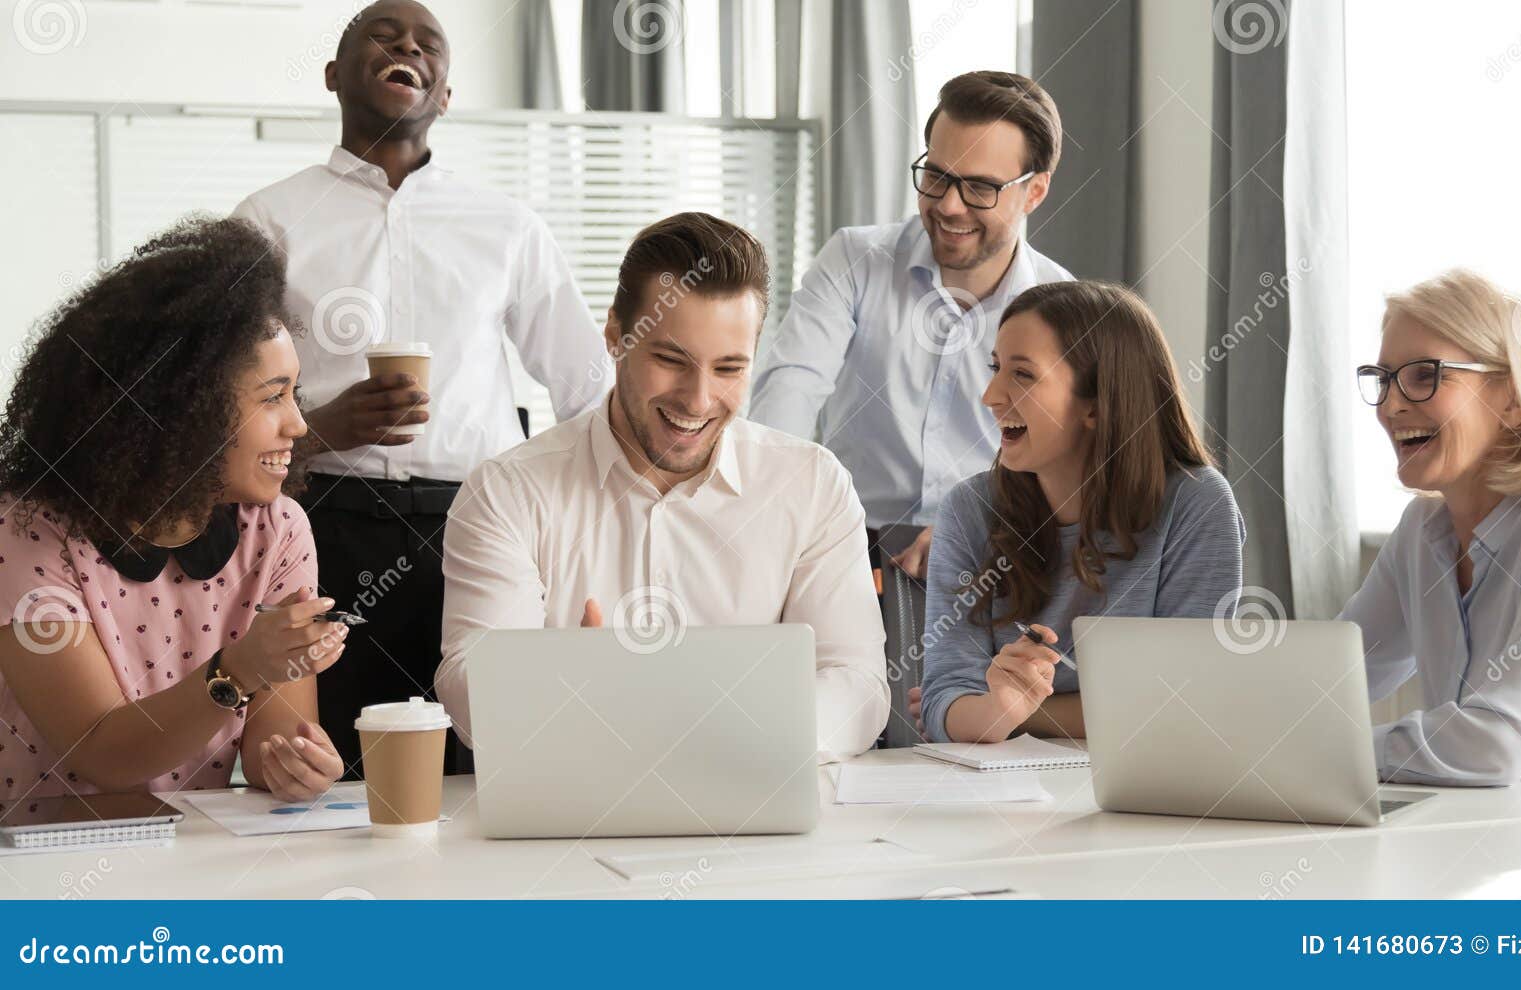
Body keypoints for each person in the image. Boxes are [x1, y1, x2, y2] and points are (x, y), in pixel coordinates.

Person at [233, 0, 610, 776]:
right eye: (384, 34)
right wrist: (322, 423)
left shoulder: (507, 225)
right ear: (336, 76)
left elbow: (587, 389)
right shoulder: (268, 219)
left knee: (495, 763)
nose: (408, 45)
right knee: (330, 771)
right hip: (321, 530)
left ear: (444, 95)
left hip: (479, 532)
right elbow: (225, 400)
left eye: (428, 43)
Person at [436, 213, 889, 762]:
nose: (698, 400)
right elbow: (467, 687)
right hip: (569, 814)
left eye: (728, 369)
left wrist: (731, 739)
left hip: (751, 797)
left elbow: (857, 683)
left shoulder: (811, 485)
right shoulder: (507, 492)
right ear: (614, 337)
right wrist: (567, 681)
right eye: (672, 361)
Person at [0, 216, 348, 821]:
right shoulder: (26, 533)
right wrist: (240, 669)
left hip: (189, 860)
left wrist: (292, 765)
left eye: (295, 393)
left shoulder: (278, 529)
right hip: (39, 866)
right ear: (179, 409)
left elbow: (270, 745)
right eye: (272, 396)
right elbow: (100, 753)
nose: (298, 424)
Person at [748, 70, 1072, 579]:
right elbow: (790, 388)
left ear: (1034, 192)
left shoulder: (1062, 306)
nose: (947, 205)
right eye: (938, 176)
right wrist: (767, 511)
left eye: (980, 188)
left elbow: (1069, 464)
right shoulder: (857, 259)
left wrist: (985, 522)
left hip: (996, 546)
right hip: (845, 541)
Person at [913, 281, 1245, 744]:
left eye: (1022, 375)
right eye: (996, 368)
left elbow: (1189, 704)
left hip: (1147, 789)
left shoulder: (1194, 503)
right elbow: (944, 706)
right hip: (1006, 795)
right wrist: (998, 707)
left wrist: (1024, 714)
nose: (990, 395)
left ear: (1096, 404)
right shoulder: (969, 511)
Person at [1341, 270, 1521, 787]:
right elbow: (1327, 685)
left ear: (1512, 396)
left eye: (1423, 375)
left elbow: (1501, 743)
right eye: (1384, 378)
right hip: (1494, 844)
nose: (1391, 406)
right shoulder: (1422, 530)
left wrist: (1329, 753)